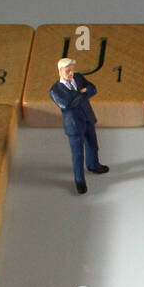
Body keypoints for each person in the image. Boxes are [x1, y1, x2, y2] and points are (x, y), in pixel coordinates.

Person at [49, 57, 109, 195]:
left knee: (93, 145)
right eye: (67, 70)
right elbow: (67, 104)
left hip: (88, 117)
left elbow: (93, 89)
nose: (70, 73)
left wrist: (80, 94)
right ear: (60, 71)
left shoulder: (79, 77)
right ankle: (79, 180)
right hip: (74, 125)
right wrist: (82, 93)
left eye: (72, 70)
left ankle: (94, 165)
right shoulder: (55, 90)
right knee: (77, 154)